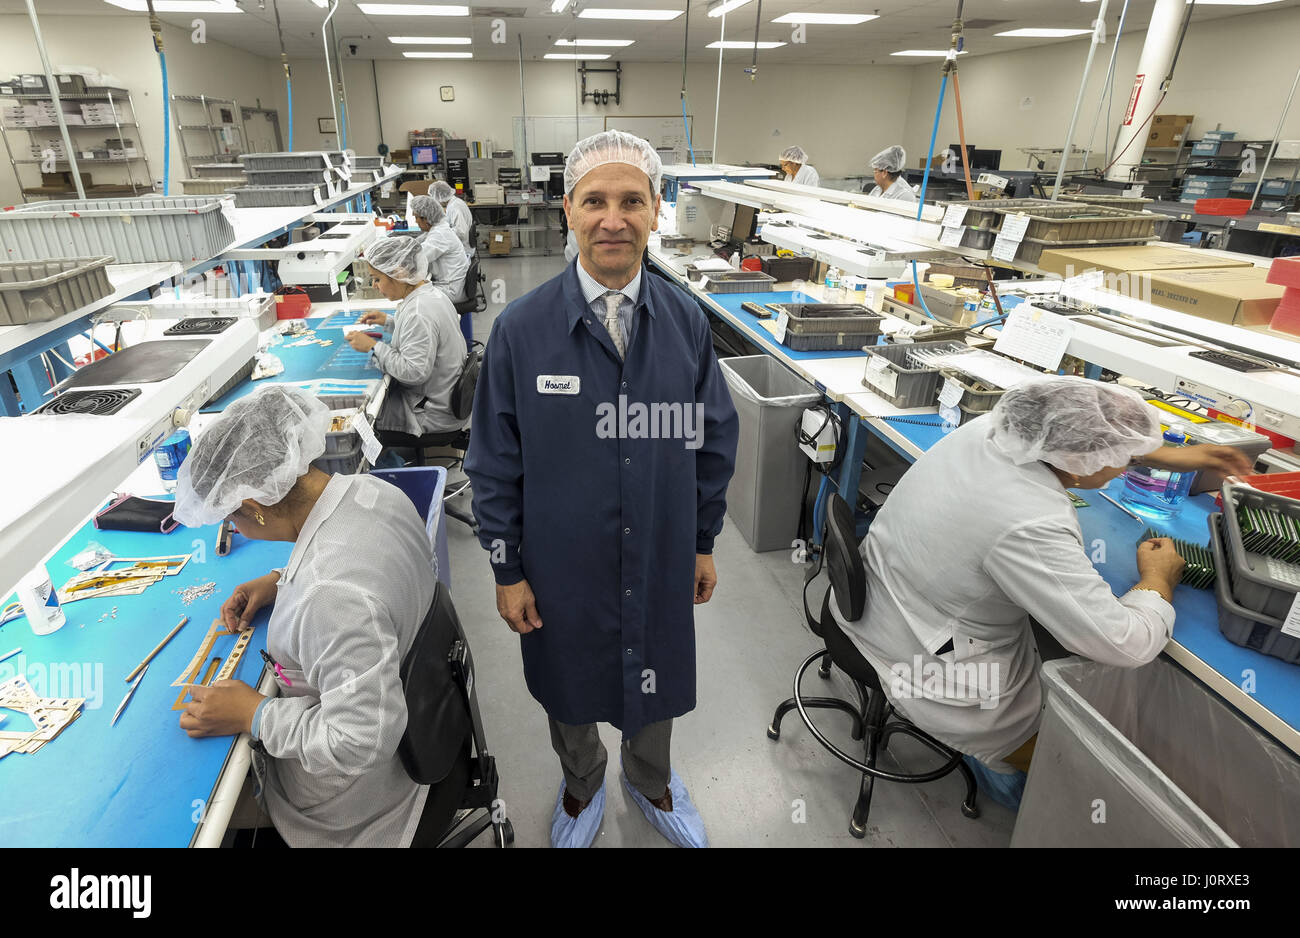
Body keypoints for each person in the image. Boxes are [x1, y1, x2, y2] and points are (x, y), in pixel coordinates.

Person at [464, 129, 739, 849]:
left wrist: (703, 542)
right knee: (567, 677)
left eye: (630, 201)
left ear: (655, 211)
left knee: (657, 669)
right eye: (595, 201)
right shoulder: (522, 332)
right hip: (560, 564)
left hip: (658, 547)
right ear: (568, 212)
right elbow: (493, 462)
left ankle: (651, 781)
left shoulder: (685, 323)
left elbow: (711, 440)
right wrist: (507, 568)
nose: (612, 218)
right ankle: (581, 782)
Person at [832, 376, 1253, 810]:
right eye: (1124, 459)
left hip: (881, 601)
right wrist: (1158, 580)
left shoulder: (996, 430)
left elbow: (1071, 430)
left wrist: (1167, 454)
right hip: (932, 666)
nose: (1129, 465)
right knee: (1070, 778)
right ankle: (1017, 783)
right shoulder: (1030, 522)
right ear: (1080, 464)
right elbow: (1121, 643)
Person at [172, 384, 441, 847]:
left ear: (254, 507)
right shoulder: (370, 490)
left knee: (192, 817)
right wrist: (283, 581)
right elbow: (361, 561)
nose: (233, 529)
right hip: (424, 723)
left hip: (361, 805)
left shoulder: (330, 598)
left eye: (231, 518)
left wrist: (253, 713)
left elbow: (360, 740)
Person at [346, 237, 468, 447]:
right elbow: (425, 337)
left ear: (399, 274)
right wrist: (389, 322)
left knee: (357, 423)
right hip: (445, 401)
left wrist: (373, 347)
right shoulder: (430, 294)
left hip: (429, 415)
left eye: (376, 279)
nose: (374, 286)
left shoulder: (418, 312)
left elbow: (414, 373)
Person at [407, 194, 468, 305]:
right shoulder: (439, 229)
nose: (416, 221)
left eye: (416, 217)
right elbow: (418, 244)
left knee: (409, 296)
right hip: (450, 285)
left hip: (450, 290)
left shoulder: (440, 235)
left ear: (426, 219)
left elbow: (416, 259)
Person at [431, 180, 475, 258]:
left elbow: (461, 232)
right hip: (463, 245)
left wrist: (443, 232)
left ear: (440, 197)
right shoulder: (454, 202)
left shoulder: (455, 207)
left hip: (463, 250)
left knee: (433, 256)